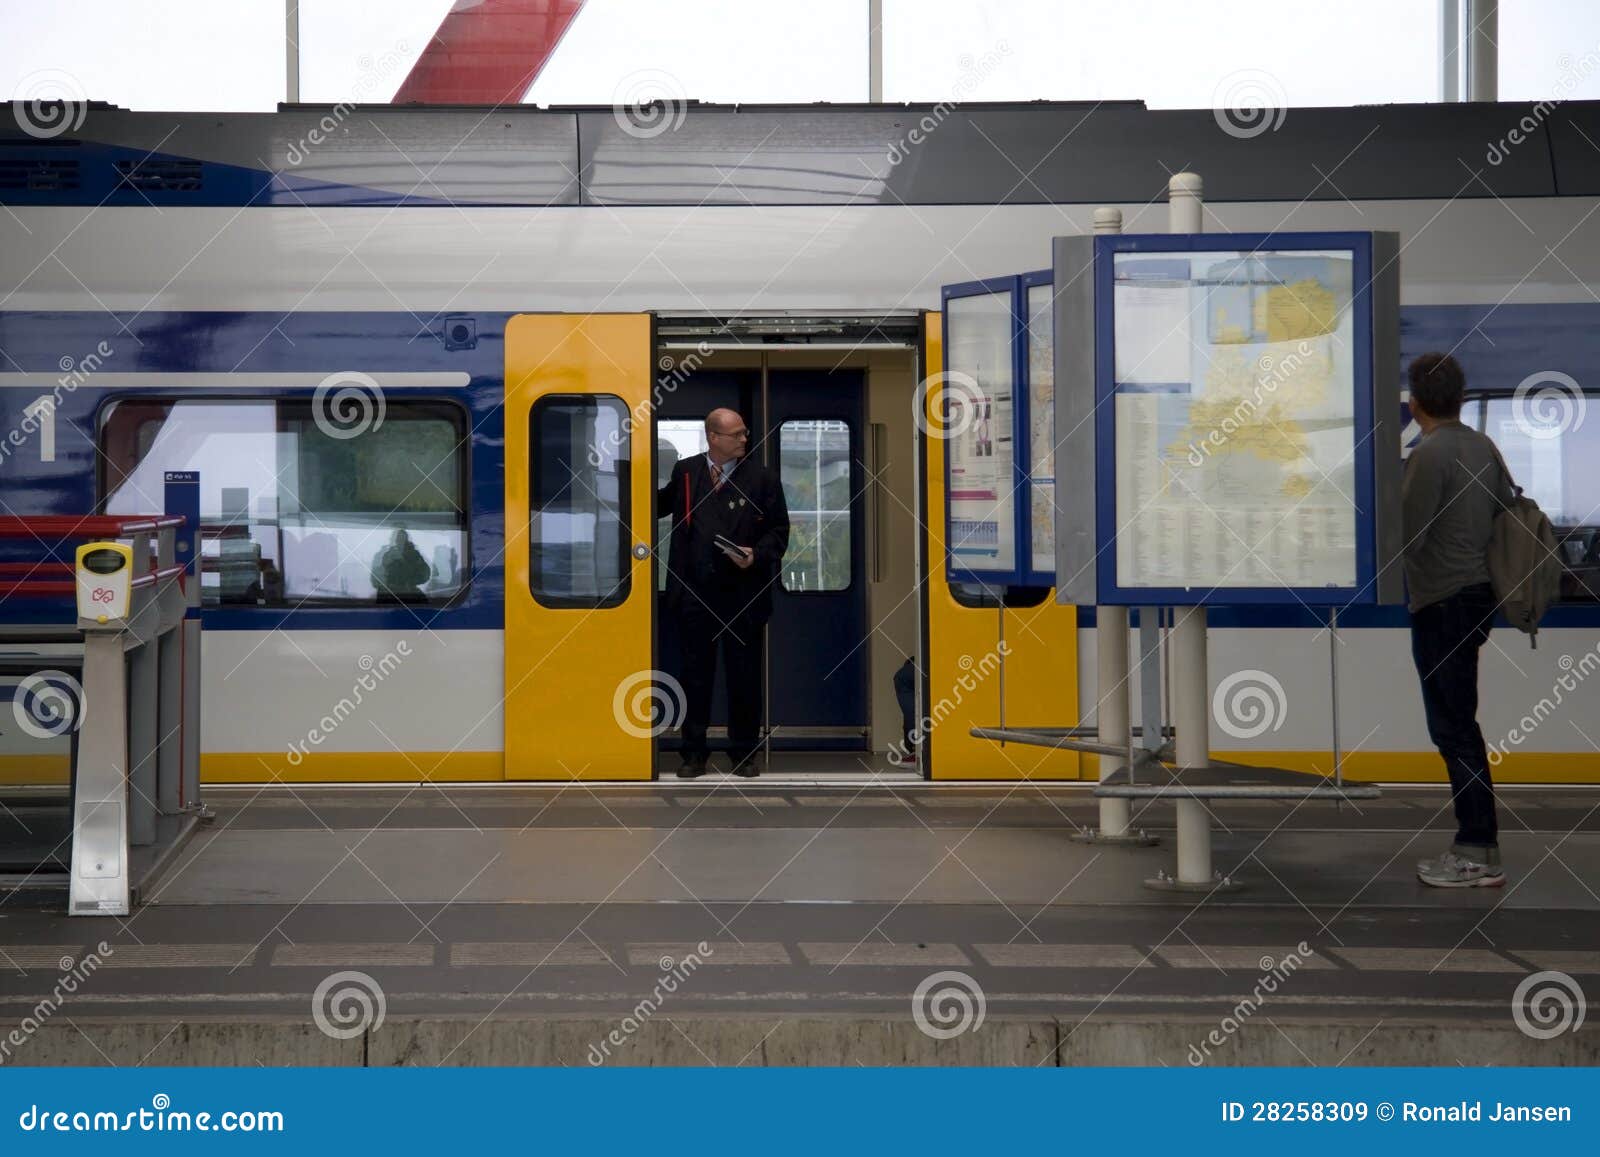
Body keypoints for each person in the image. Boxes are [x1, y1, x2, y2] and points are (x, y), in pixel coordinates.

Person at [1402, 352, 1514, 888]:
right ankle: (1477, 844)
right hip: (1476, 597)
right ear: (1462, 398)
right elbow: (1504, 513)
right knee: (1459, 724)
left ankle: (1477, 850)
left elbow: (1408, 534)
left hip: (1442, 601)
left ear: (1416, 401)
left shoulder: (1430, 453)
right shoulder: (1482, 446)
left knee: (1454, 728)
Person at [657, 409, 789, 778]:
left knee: (744, 677)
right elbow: (658, 505)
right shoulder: (686, 472)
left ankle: (743, 754)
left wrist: (756, 555)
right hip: (694, 595)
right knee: (695, 677)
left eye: (745, 433)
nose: (744, 440)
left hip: (743, 596)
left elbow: (780, 531)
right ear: (713, 438)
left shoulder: (762, 479)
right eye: (736, 435)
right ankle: (693, 755)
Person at [371, 528, 431, 602]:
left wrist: (404, 561)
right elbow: (375, 581)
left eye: (402, 538)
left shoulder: (415, 556)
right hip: (386, 596)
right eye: (397, 538)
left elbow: (424, 576)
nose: (400, 541)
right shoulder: (382, 555)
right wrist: (385, 564)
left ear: (406, 540)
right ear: (393, 540)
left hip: (410, 595)